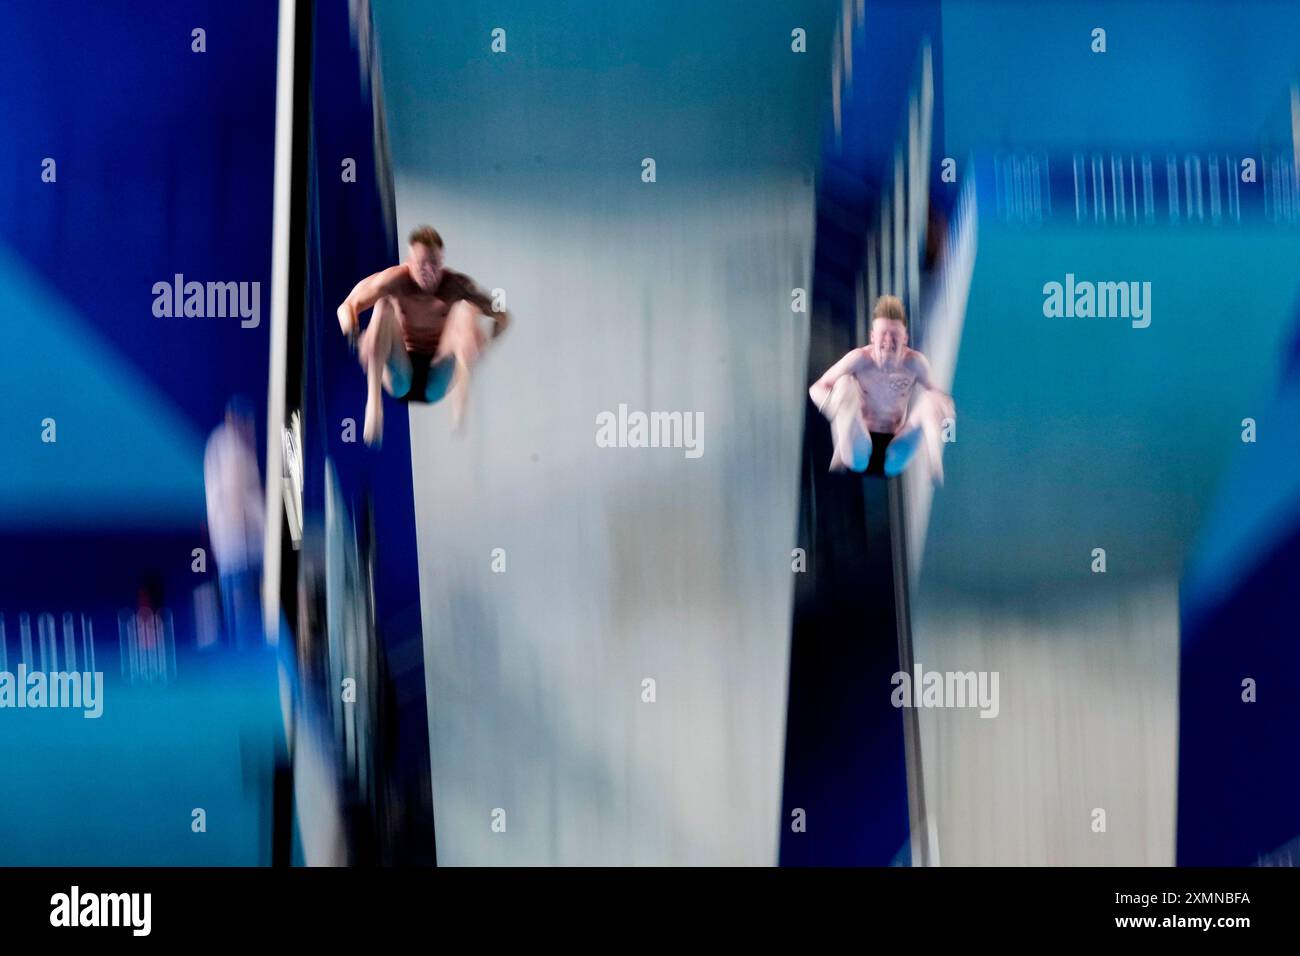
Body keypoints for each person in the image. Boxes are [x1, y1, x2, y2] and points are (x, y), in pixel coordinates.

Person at [336, 225, 509, 445]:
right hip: (400, 372)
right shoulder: (394, 280)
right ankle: (374, 404)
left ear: (442, 261)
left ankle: (461, 401)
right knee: (383, 307)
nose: (428, 271)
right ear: (410, 262)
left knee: (465, 310)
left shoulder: (457, 285)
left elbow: (501, 316)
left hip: (438, 376)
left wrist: (489, 340)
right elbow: (346, 307)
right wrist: (353, 333)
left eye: (434, 264)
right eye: (421, 265)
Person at [808, 295, 955, 483]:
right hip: (858, 444)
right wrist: (834, 409)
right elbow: (816, 389)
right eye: (883, 334)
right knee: (845, 383)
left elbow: (940, 399)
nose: (888, 340)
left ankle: (934, 461)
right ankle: (841, 443)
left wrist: (946, 410)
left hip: (894, 450)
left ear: (904, 339)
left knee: (932, 400)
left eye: (895, 335)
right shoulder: (859, 359)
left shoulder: (915, 363)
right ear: (872, 336)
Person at [203, 396, 265, 647]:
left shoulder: (219, 444)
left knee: (243, 621)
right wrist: (267, 529)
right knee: (248, 625)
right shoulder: (231, 448)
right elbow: (238, 497)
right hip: (241, 551)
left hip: (233, 552)